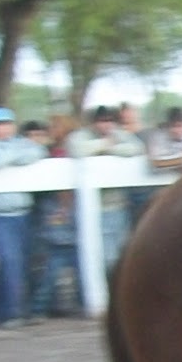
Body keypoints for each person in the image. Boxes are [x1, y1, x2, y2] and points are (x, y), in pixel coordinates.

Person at [0, 106, 47, 329]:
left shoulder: (19, 142)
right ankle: (6, 312)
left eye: (6, 123)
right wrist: (17, 153)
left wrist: (12, 153)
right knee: (7, 261)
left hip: (22, 212)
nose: (2, 128)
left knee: (26, 262)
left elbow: (39, 152)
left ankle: (24, 309)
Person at [65, 104, 145, 273]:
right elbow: (77, 149)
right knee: (101, 257)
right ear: (94, 123)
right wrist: (104, 144)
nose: (106, 125)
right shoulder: (81, 136)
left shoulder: (119, 134)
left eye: (109, 121)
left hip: (118, 205)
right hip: (93, 208)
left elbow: (137, 148)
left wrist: (111, 148)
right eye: (101, 121)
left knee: (121, 253)